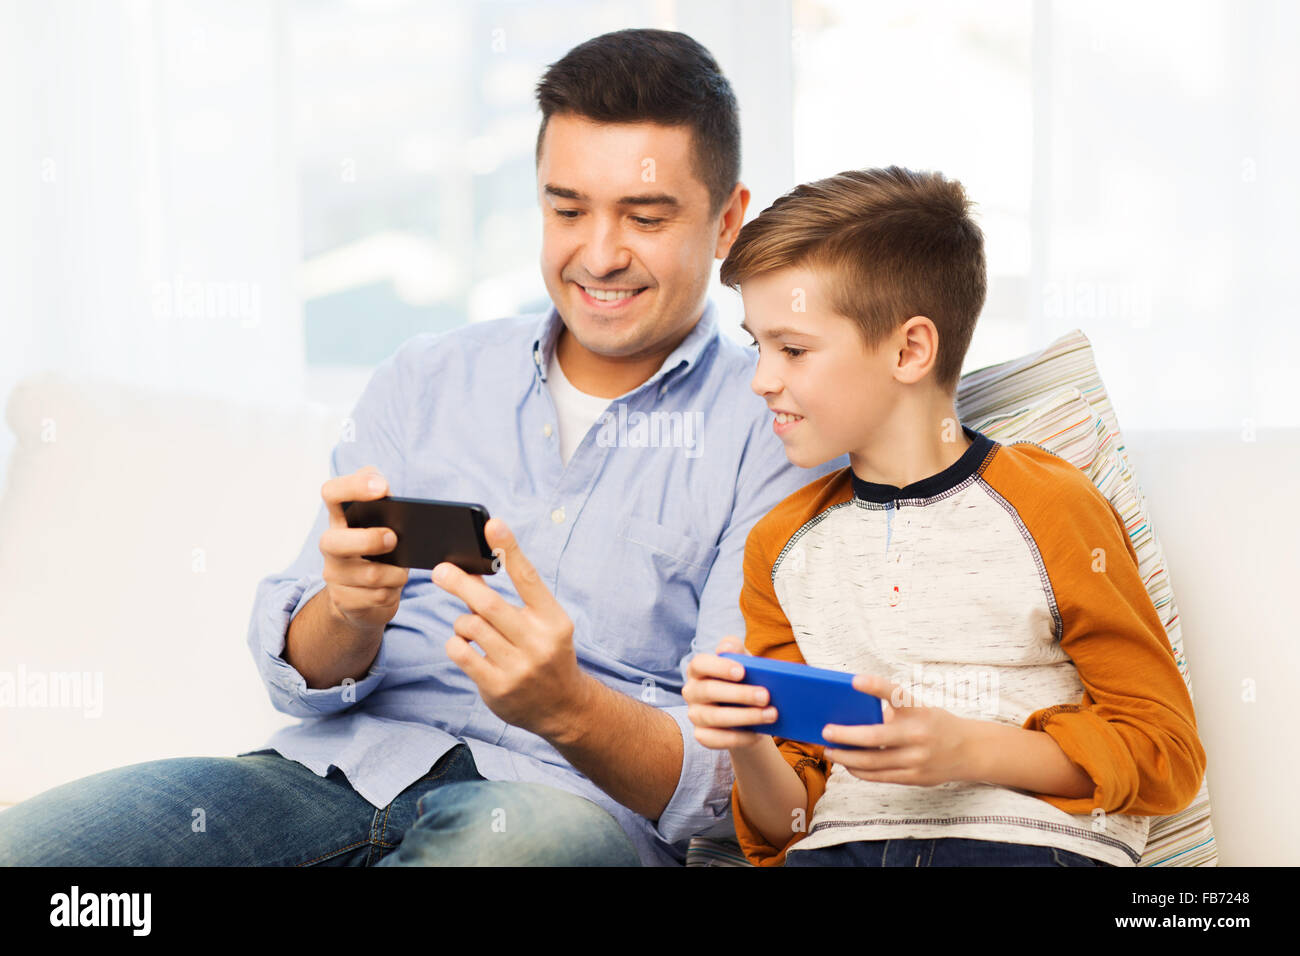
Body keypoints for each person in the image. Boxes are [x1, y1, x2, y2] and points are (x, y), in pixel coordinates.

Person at [0, 29, 845, 868]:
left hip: (559, 810)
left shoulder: (778, 430)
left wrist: (570, 709)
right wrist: (347, 614)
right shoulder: (428, 376)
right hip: (329, 777)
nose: (598, 253)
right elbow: (296, 669)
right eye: (567, 208)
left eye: (645, 215)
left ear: (729, 218)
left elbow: (734, 786)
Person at [683, 166, 1206, 867]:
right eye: (758, 346)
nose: (761, 378)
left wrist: (967, 749)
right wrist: (745, 740)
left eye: (793, 349)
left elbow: (1165, 754)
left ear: (910, 350)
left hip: (1024, 847)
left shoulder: (1051, 505)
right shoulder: (781, 546)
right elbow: (788, 825)